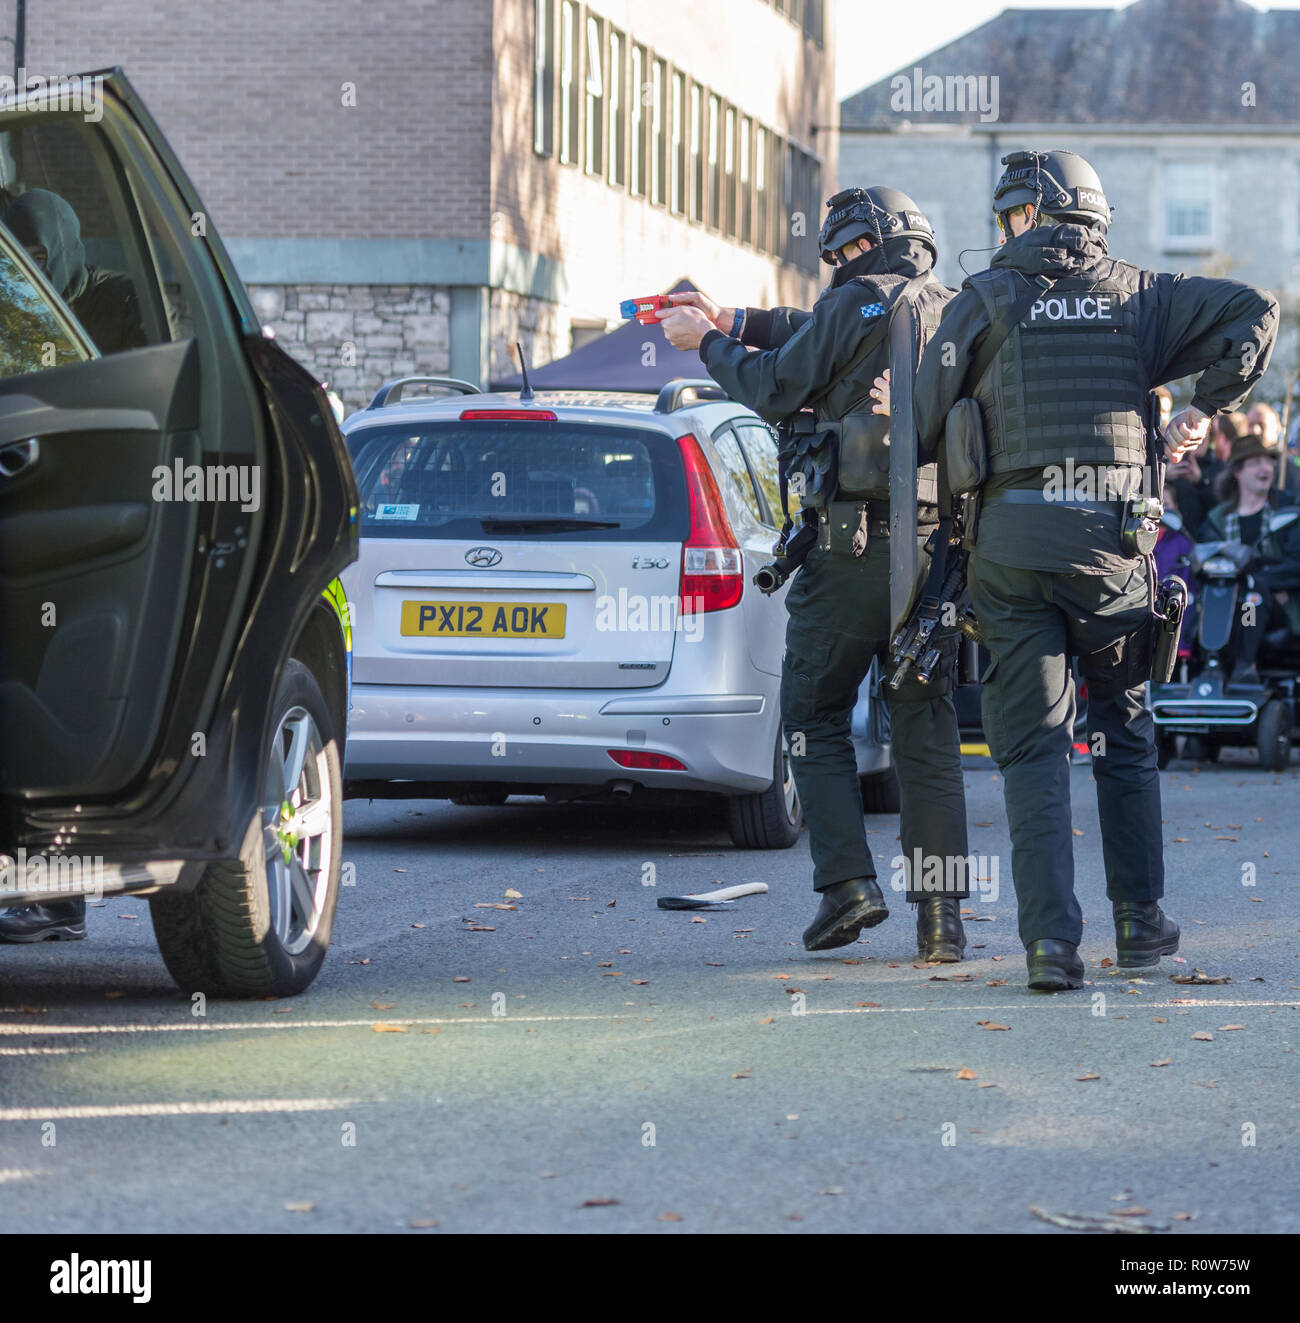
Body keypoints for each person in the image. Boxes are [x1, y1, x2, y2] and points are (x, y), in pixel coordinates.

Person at [908, 149, 1279, 990]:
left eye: (1009, 216)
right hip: (1114, 551)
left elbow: (926, 421)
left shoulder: (984, 298)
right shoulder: (1143, 294)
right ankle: (1142, 931)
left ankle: (1049, 946)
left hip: (1010, 550)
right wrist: (1200, 407)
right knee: (1124, 737)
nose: (1004, 231)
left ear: (1031, 215)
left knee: (1035, 750)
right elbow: (1258, 308)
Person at [657, 187, 971, 961]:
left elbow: (775, 385)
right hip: (936, 552)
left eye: (843, 252)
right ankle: (942, 921)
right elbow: (813, 335)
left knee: (813, 710)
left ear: (868, 244)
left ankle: (847, 888)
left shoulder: (855, 301)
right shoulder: (958, 310)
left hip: (850, 546)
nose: (837, 268)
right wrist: (731, 317)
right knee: (925, 727)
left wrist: (705, 345)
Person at [0, 189, 149, 945]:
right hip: (33, 499)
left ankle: (59, 894)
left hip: (93, 504)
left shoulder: (118, 301)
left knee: (63, 695)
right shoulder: (20, 301)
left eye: (44, 251)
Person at [1196, 432, 1300, 680]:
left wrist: (1257, 576)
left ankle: (1245, 664)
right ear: (1237, 471)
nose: (1266, 468)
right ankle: (1208, 667)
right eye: (1255, 463)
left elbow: (1295, 566)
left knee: (1252, 598)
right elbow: (1203, 560)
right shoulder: (1218, 519)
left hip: (1276, 607)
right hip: (1225, 602)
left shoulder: (1288, 511)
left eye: (1268, 461)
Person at [0, 187, 146, 355]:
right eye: (17, 259)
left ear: (64, 252)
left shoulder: (129, 302)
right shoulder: (10, 307)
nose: (26, 272)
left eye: (39, 258)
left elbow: (153, 373)